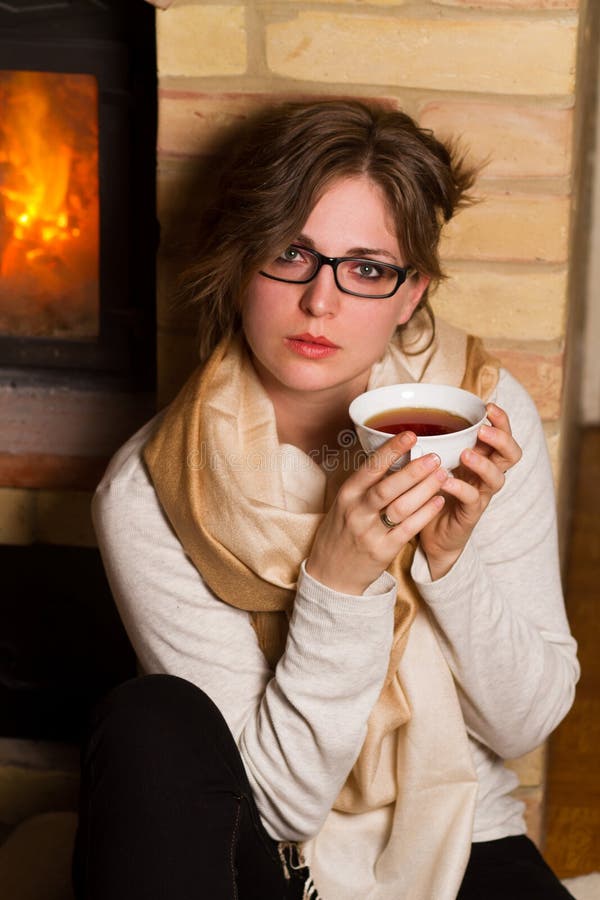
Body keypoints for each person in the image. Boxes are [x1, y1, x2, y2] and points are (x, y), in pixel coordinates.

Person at [72, 99, 579, 900]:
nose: (320, 302)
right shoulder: (154, 490)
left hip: (458, 827)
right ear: (240, 261)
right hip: (277, 857)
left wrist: (449, 564)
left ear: (411, 293)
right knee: (149, 717)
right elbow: (277, 807)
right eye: (291, 253)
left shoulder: (474, 410)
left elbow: (523, 725)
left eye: (367, 269)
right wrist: (338, 583)